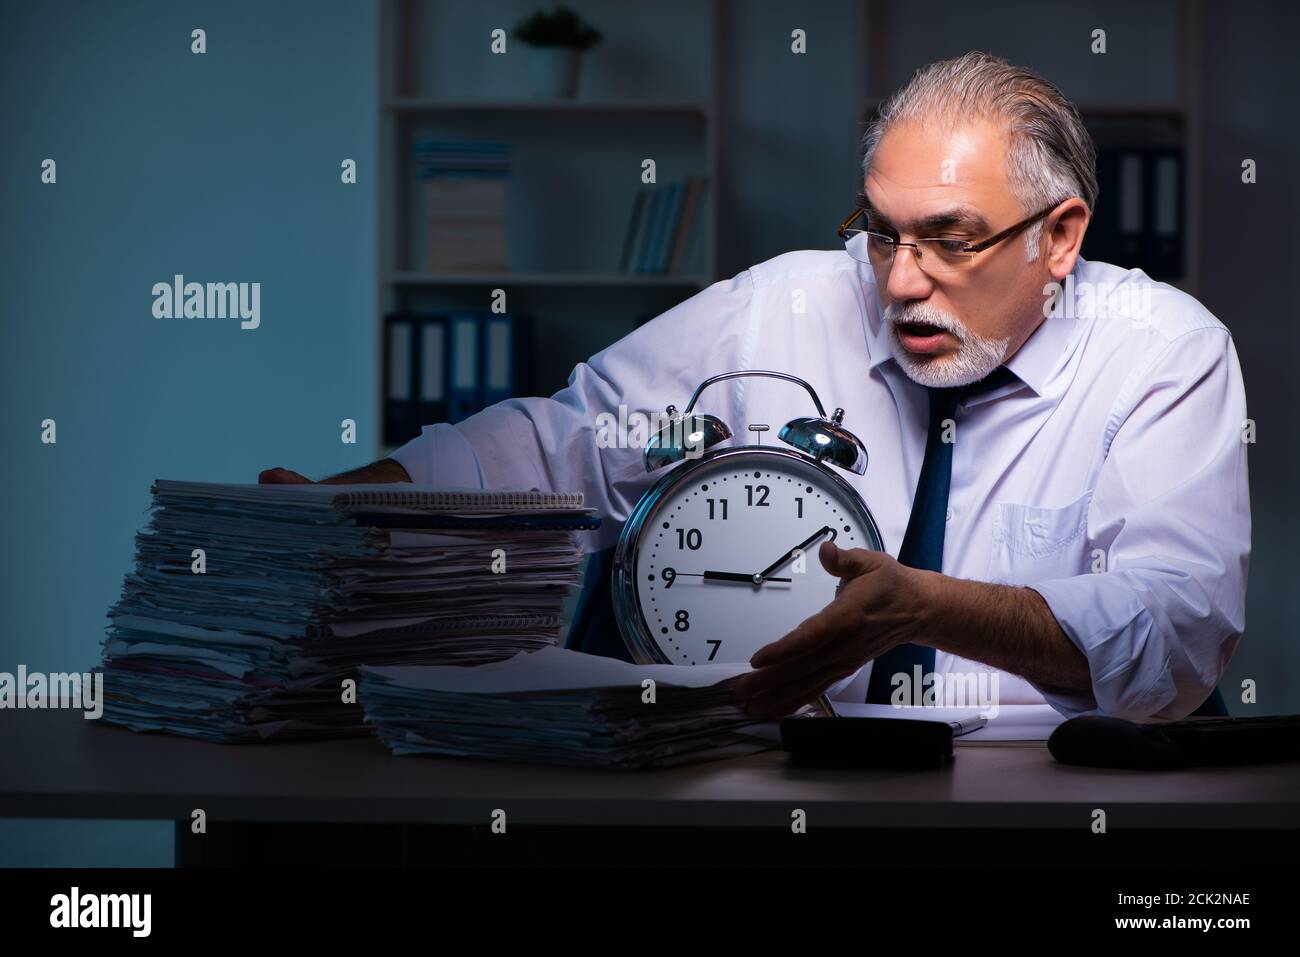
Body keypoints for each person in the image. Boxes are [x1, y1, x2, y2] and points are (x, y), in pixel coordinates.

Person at [262, 52, 1249, 724]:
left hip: (1039, 802)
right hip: (775, 784)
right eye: (879, 231)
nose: (902, 278)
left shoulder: (1161, 351)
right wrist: (340, 506)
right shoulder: (776, 307)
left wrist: (928, 608)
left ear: (1059, 236)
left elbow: (1173, 637)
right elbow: (561, 443)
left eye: (949, 238)